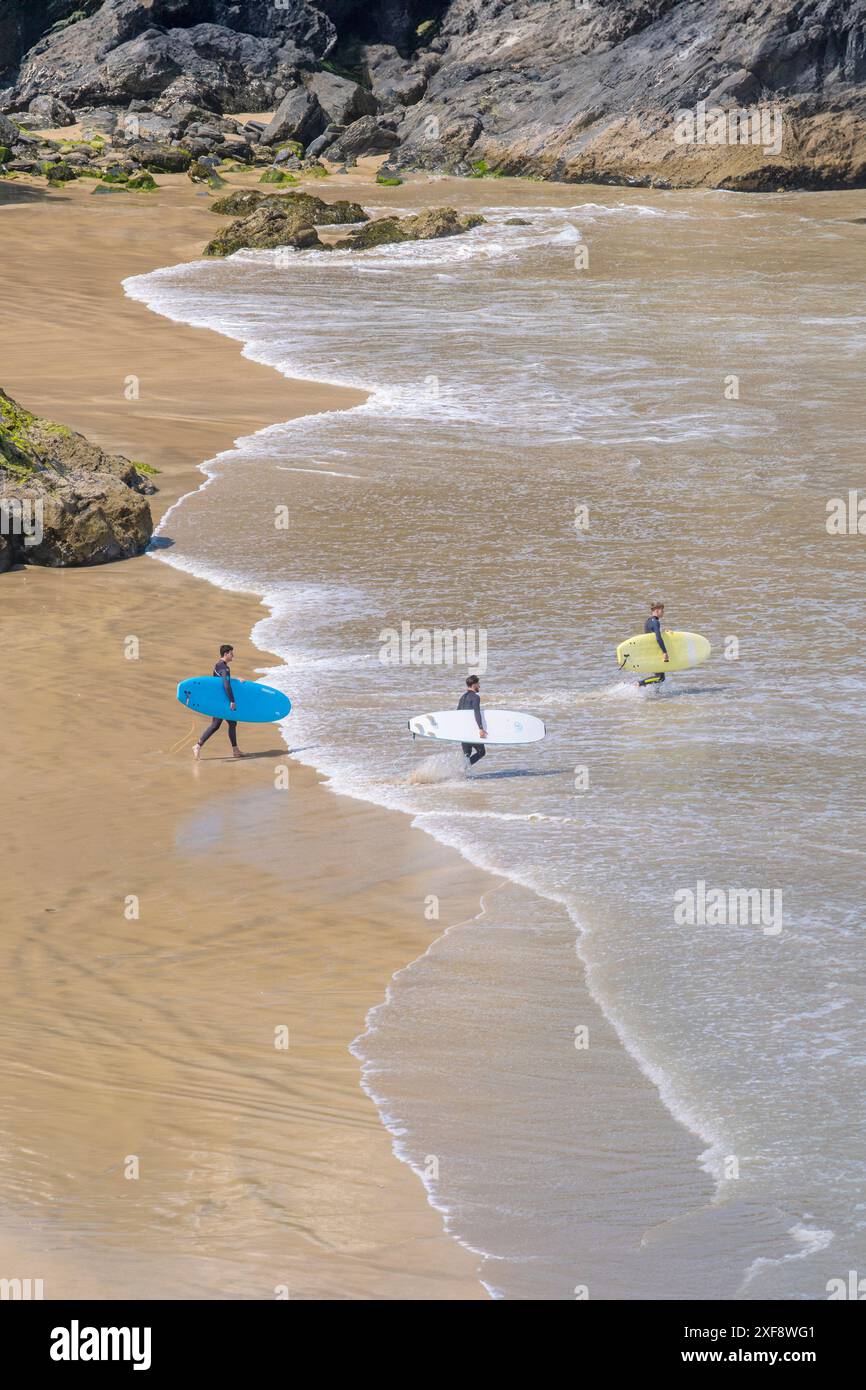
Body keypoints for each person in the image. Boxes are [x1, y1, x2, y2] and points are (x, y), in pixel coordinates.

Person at [192, 644, 245, 759]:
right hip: (222, 701)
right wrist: (232, 700)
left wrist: (236, 680)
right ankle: (197, 745)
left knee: (231, 723)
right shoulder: (224, 668)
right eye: (231, 653)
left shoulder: (219, 665)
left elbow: (223, 680)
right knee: (216, 725)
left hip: (218, 699)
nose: (233, 655)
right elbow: (226, 685)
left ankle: (235, 750)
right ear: (226, 654)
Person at [458, 674, 487, 769]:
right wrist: (481, 728)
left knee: (466, 756)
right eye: (478, 684)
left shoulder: (462, 698)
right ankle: (461, 769)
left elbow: (456, 714)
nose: (479, 686)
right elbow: (477, 712)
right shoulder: (475, 697)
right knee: (481, 752)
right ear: (474, 684)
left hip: (463, 732)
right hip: (472, 732)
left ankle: (459, 774)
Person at [639, 601, 670, 687]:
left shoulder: (649, 621)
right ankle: (639, 684)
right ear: (656, 610)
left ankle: (656, 694)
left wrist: (665, 633)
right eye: (662, 610)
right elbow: (658, 638)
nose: (663, 613)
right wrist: (665, 652)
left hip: (649, 651)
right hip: (654, 653)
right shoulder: (655, 622)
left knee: (659, 677)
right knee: (660, 678)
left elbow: (652, 635)